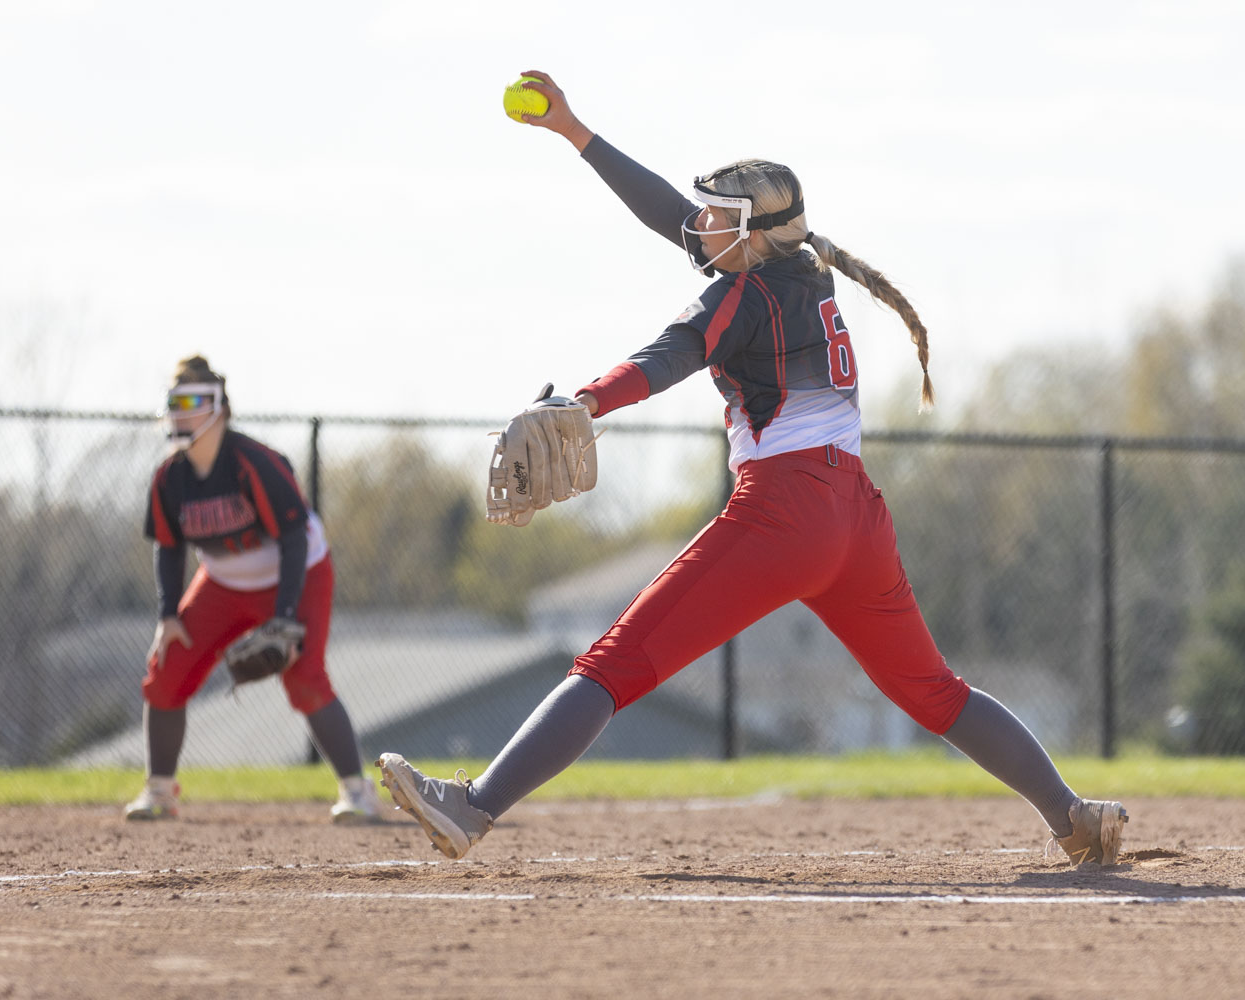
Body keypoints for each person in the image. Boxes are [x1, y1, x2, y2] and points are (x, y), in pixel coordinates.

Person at [376, 71, 1128, 866]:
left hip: (784, 512)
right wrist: (577, 133)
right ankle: (1074, 818)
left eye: (716, 215)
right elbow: (675, 219)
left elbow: (666, 356)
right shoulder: (804, 270)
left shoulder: (737, 294)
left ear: (751, 233)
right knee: (935, 693)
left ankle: (476, 807)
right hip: (855, 515)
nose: (699, 223)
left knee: (614, 663)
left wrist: (587, 404)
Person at [124, 354, 382, 824]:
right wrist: (168, 615)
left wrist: (284, 615)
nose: (180, 412)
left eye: (192, 402)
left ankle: (357, 792)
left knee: (305, 677)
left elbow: (292, 539)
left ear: (219, 408)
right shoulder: (170, 477)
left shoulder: (253, 462)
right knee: (167, 664)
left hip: (295, 573)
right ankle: (159, 791)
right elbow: (168, 547)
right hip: (221, 581)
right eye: (173, 402)